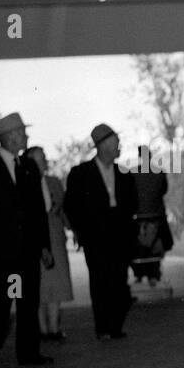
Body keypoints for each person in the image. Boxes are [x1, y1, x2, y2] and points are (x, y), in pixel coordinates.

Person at [0, 112, 54, 367]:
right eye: (21, 133)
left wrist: (44, 246)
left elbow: (38, 211)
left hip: (27, 251)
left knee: (29, 302)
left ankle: (28, 354)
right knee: (0, 302)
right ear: (8, 137)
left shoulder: (28, 167)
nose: (26, 136)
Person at [64, 123, 138, 341]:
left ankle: (115, 325)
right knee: (100, 282)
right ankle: (104, 327)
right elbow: (72, 206)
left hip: (120, 236)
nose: (119, 147)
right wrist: (82, 231)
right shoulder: (80, 174)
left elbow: (132, 203)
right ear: (103, 145)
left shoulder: (124, 174)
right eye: (115, 142)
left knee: (120, 282)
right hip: (96, 238)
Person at [25, 145, 74, 342]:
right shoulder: (24, 183)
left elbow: (64, 210)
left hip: (55, 239)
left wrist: (73, 229)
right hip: (33, 242)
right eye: (39, 158)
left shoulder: (54, 182)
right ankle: (42, 328)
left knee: (57, 285)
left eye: (44, 157)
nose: (44, 161)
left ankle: (54, 328)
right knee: (38, 288)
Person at [130, 144, 172, 286]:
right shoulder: (159, 173)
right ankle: (153, 274)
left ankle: (139, 273)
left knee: (137, 246)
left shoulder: (132, 173)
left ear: (140, 156)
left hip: (137, 217)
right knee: (155, 245)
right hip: (156, 216)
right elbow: (163, 191)